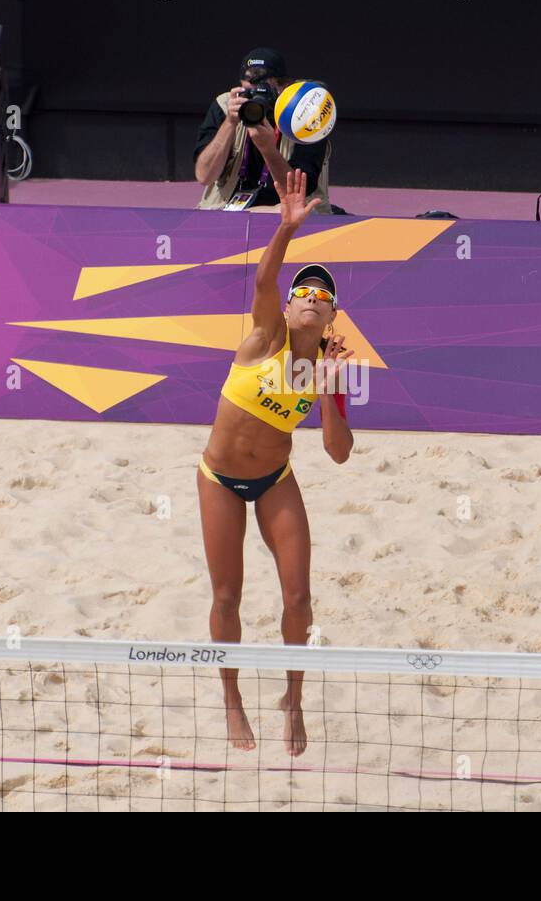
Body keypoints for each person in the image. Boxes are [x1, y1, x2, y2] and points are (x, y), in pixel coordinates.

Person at [197, 169, 354, 755]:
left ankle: (294, 701)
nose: (311, 299)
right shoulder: (266, 339)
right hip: (219, 478)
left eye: (323, 297)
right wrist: (285, 229)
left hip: (274, 481)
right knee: (226, 598)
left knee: (298, 600)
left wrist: (334, 395)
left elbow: (337, 453)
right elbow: (265, 279)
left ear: (333, 316)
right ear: (289, 308)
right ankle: (233, 701)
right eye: (303, 294)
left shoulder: (323, 369)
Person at [193, 47, 332, 213]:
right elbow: (204, 176)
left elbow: (296, 194)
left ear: (284, 87)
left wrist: (268, 150)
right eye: (250, 92)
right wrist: (230, 123)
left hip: (284, 210)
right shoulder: (225, 106)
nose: (257, 101)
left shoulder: (305, 113)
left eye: (265, 93)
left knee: (290, 211)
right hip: (226, 207)